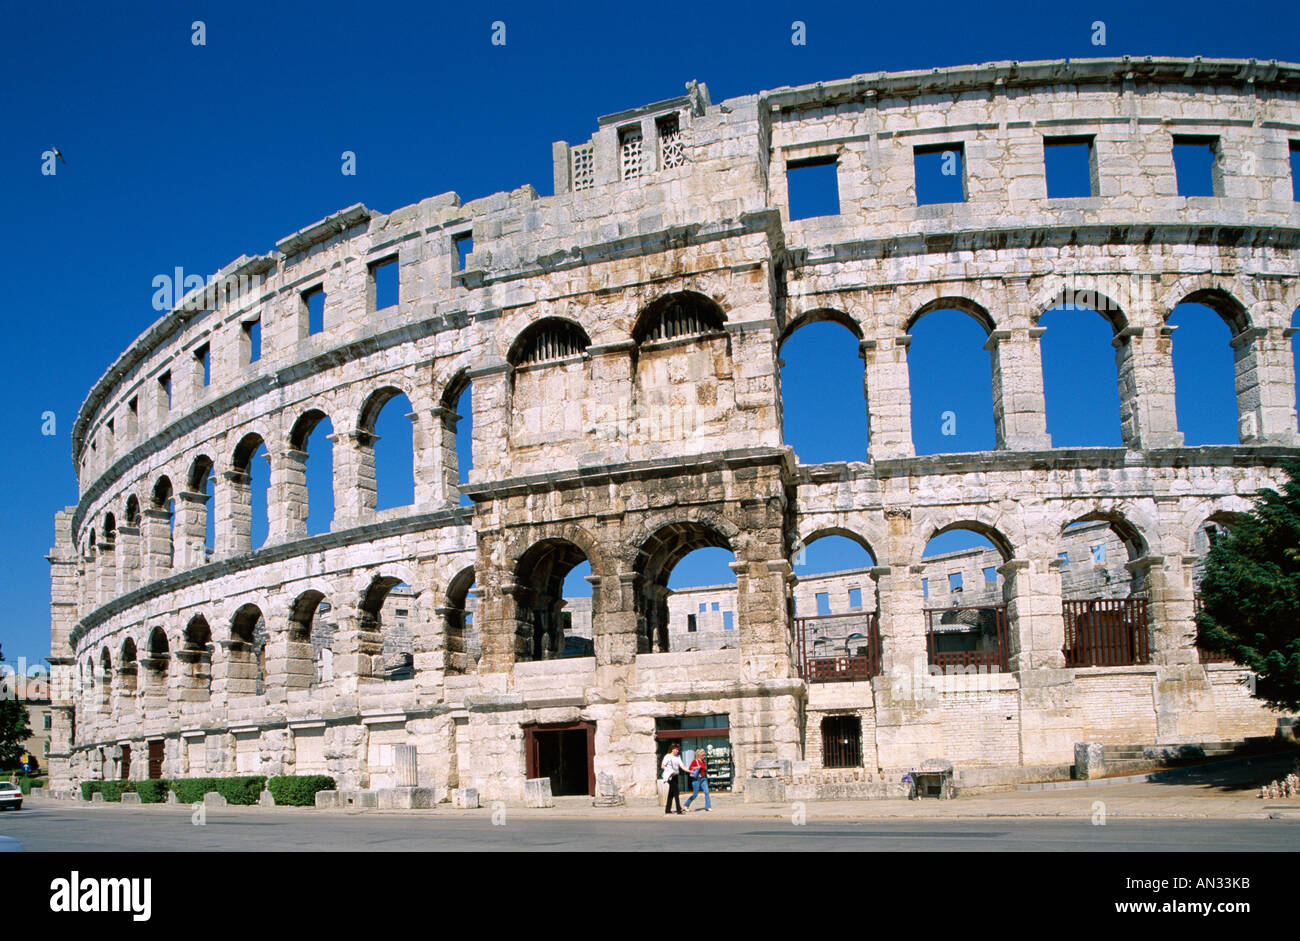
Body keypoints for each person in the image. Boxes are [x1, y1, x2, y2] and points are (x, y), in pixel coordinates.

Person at [661, 744, 687, 815]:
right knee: (676, 791)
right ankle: (678, 809)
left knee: (671, 793)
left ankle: (667, 809)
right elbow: (662, 766)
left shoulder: (678, 757)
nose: (677, 751)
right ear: (672, 749)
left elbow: (682, 765)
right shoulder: (668, 756)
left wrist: (689, 771)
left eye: (678, 749)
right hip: (670, 776)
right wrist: (669, 771)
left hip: (675, 776)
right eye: (676, 749)